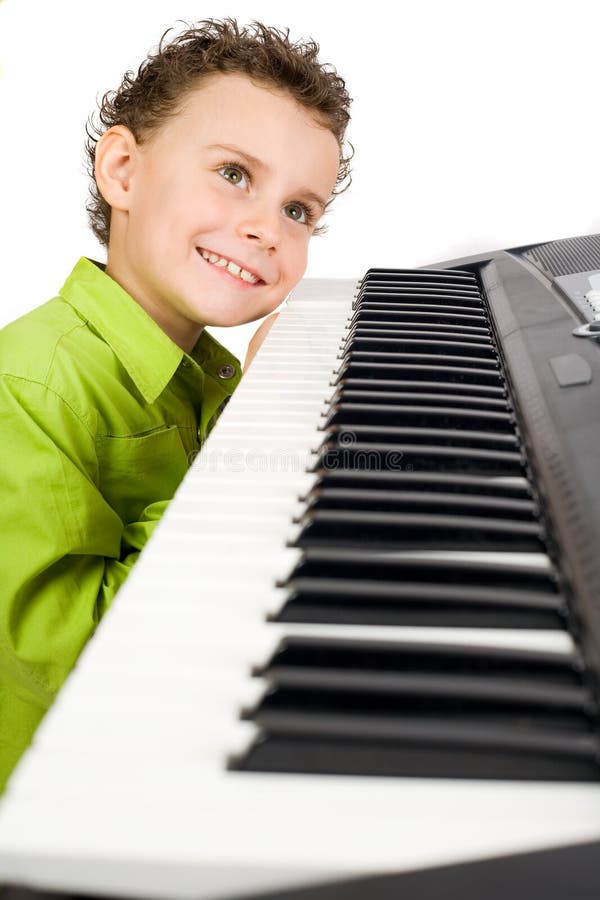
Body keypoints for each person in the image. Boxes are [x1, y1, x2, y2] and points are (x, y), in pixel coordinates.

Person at [0, 18, 352, 792]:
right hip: (68, 806)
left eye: (300, 211)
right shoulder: (28, 388)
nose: (266, 227)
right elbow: (79, 666)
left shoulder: (205, 375)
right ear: (122, 169)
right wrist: (263, 427)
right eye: (233, 173)